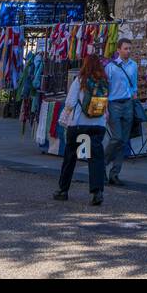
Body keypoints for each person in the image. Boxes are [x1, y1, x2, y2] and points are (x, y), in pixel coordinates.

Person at [53, 53, 109, 206]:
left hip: (79, 124)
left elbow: (70, 103)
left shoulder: (80, 80)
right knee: (95, 159)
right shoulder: (104, 81)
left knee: (70, 157)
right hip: (98, 124)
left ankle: (62, 190)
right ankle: (97, 192)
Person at [103, 38, 139, 187]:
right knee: (116, 138)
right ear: (118, 50)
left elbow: (134, 85)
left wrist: (134, 96)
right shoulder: (111, 67)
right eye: (125, 48)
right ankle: (101, 164)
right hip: (114, 104)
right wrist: (105, 108)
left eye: (130, 48)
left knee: (123, 141)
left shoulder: (133, 65)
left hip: (128, 104)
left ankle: (114, 174)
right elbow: (105, 89)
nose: (128, 51)